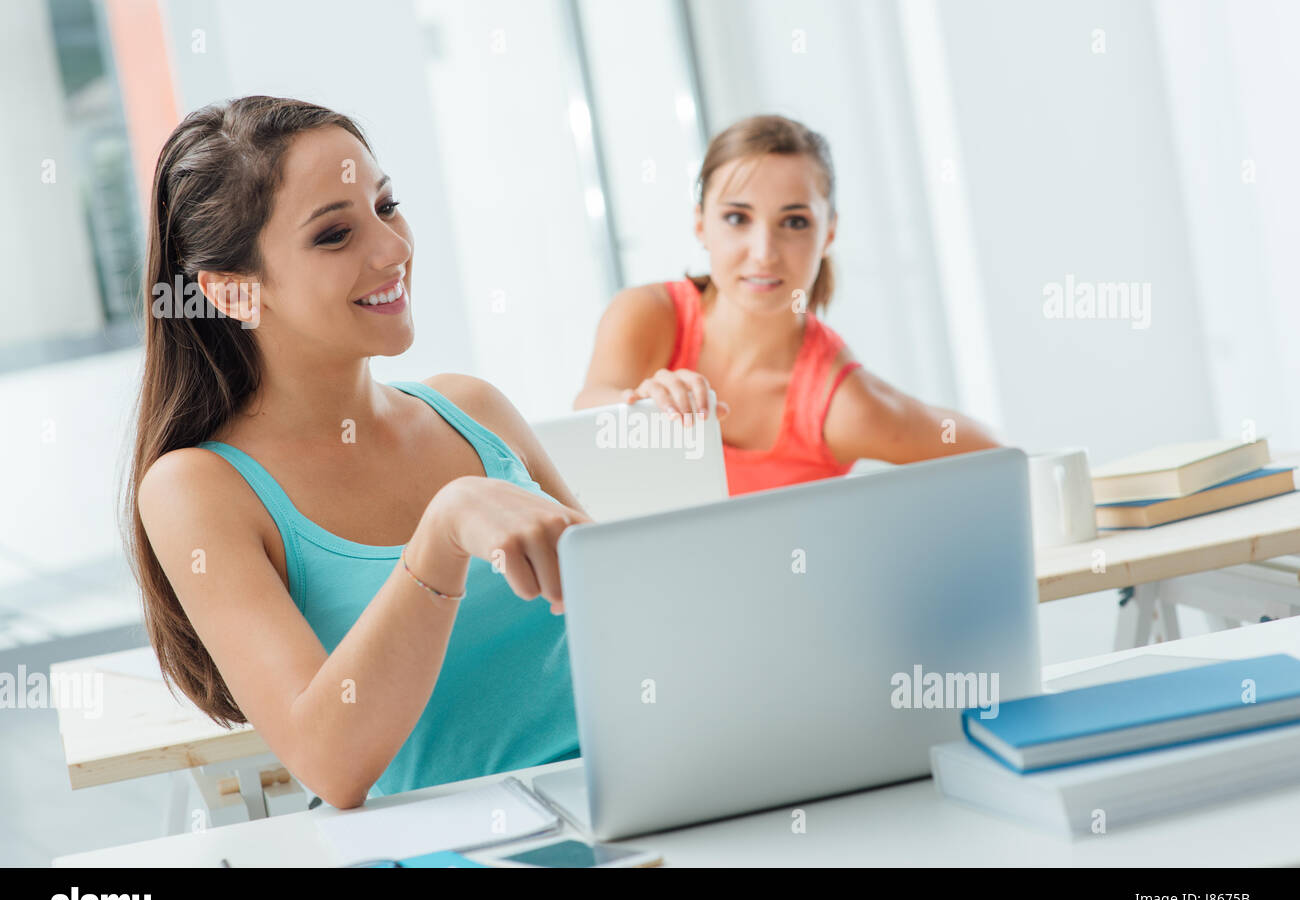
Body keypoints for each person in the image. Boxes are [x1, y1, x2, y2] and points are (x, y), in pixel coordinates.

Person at [123, 96, 588, 808]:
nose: (394, 248)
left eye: (387, 204)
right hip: (458, 845)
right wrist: (441, 532)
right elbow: (330, 764)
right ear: (233, 291)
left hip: (634, 795)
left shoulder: (474, 408)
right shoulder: (197, 488)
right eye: (335, 234)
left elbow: (621, 613)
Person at [574, 114, 1000, 496]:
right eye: (738, 218)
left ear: (829, 233)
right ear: (700, 224)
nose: (764, 252)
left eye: (794, 222)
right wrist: (637, 404)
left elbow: (997, 459)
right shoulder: (646, 316)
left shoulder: (845, 408)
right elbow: (586, 411)